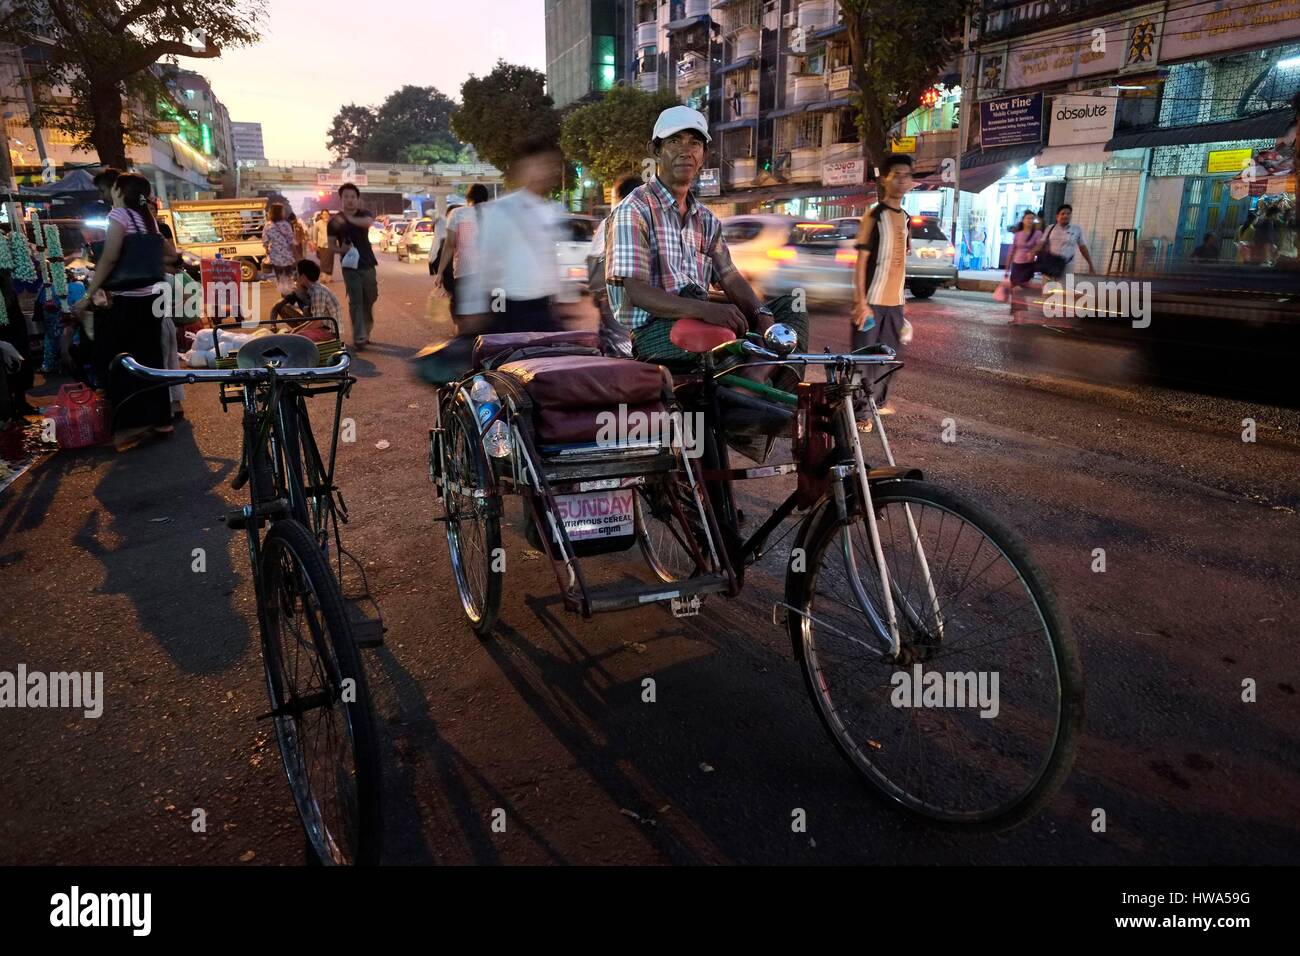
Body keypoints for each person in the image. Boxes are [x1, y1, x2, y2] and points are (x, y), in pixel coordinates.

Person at [606, 106, 807, 374]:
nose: (685, 150)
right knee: (730, 346)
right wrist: (702, 310)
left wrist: (761, 314)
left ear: (703, 155)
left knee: (791, 312)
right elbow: (637, 290)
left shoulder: (706, 219)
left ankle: (764, 393)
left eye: (695, 143)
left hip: (699, 314)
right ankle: (754, 393)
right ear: (656, 151)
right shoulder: (634, 210)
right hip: (656, 328)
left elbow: (730, 276)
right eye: (674, 141)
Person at [72, 171, 171, 450]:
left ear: (120, 191)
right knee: (151, 358)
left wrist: (90, 294)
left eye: (113, 189)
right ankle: (161, 419)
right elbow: (170, 253)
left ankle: (130, 428)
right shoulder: (147, 218)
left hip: (126, 300)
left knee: (117, 362)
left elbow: (111, 257)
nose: (109, 193)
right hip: (150, 298)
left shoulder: (119, 216)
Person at [459, 142, 566, 333]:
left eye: (549, 166)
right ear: (522, 169)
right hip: (509, 306)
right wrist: (478, 309)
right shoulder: (502, 209)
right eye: (537, 165)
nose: (543, 173)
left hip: (543, 309)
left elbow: (551, 264)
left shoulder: (551, 211)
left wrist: (563, 304)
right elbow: (486, 264)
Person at [851, 154, 915, 416]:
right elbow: (860, 262)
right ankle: (858, 413)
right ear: (885, 179)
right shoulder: (873, 216)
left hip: (895, 304)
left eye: (906, 176)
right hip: (872, 302)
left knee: (888, 358)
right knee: (864, 360)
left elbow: (900, 262)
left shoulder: (907, 219)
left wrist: (903, 298)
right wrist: (861, 303)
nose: (902, 181)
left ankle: (876, 405)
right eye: (896, 175)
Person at [589, 173, 639, 357]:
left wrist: (597, 294)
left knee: (617, 347)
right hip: (636, 299)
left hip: (612, 299)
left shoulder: (608, 221)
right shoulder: (645, 219)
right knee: (631, 348)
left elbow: (595, 259)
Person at [327, 183, 378, 349]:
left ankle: (366, 329)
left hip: (368, 261)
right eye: (346, 197)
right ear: (341, 199)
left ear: (358, 199)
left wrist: (349, 219)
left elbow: (368, 223)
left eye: (353, 197)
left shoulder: (364, 214)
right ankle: (359, 336)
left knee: (370, 297)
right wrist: (341, 249)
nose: (350, 200)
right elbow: (331, 245)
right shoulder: (334, 222)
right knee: (356, 300)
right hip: (349, 265)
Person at [434, 184, 489, 320]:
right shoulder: (495, 213)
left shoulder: (458, 213)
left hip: (465, 274)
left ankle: (465, 337)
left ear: (467, 198)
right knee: (491, 315)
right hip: (492, 276)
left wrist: (440, 272)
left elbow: (449, 245)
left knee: (464, 318)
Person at [269, 258, 342, 333]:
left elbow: (317, 322)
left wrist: (296, 333)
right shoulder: (302, 289)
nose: (293, 276)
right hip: (317, 323)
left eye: (296, 273)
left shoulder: (317, 292)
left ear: (303, 277)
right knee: (285, 308)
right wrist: (293, 331)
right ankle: (300, 334)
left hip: (328, 330)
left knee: (306, 312)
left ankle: (302, 335)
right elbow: (276, 307)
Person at [1036, 203, 1096, 276]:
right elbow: (1041, 243)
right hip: (1050, 264)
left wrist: (1090, 264)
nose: (1066, 216)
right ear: (1057, 216)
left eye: (1068, 213)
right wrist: (1033, 252)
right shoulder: (1050, 228)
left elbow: (1082, 247)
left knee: (1065, 287)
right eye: (1063, 213)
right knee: (1047, 286)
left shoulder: (1076, 229)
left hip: (1067, 265)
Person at [1006, 210, 1043, 324]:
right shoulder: (1018, 234)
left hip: (1028, 266)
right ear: (1023, 220)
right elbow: (1012, 250)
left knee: (1019, 290)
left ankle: (1022, 314)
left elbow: (1040, 245)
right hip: (1016, 265)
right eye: (1028, 218)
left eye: (1032, 219)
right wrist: (1007, 266)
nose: (1030, 221)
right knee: (1015, 291)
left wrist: (1033, 252)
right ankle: (1017, 317)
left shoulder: (1037, 233)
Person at [262, 202, 297, 296]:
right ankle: (289, 297)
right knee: (289, 277)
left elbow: (265, 242)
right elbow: (291, 241)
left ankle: (284, 296)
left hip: (275, 257)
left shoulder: (267, 225)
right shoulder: (286, 224)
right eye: (283, 211)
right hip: (287, 257)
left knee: (280, 278)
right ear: (279, 212)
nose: (284, 212)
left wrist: (267, 251)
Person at [315, 210, 335, 280]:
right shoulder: (318, 224)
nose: (325, 216)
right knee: (323, 261)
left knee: (330, 261)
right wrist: (315, 244)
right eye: (324, 214)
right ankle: (323, 276)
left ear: (329, 215)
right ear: (321, 215)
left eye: (327, 214)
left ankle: (329, 277)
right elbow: (314, 235)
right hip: (322, 245)